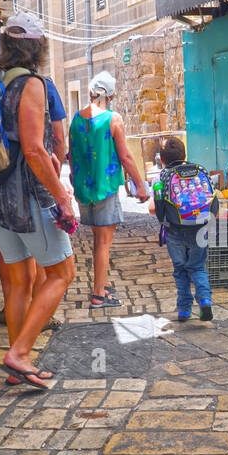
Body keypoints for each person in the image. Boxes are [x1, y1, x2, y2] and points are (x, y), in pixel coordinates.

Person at [0, 11, 75, 389]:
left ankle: (19, 362)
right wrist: (61, 196)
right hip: (26, 195)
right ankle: (19, 354)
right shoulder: (31, 84)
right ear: (38, 47)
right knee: (62, 273)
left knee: (18, 281)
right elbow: (34, 150)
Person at [67, 72, 149, 308]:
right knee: (104, 243)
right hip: (105, 187)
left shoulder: (76, 119)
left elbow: (71, 155)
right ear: (110, 96)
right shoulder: (113, 119)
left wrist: (75, 179)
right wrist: (140, 185)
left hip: (84, 188)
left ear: (91, 93)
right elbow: (125, 156)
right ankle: (98, 295)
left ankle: (100, 285)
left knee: (97, 240)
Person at [149, 136, 214, 322]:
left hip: (174, 230)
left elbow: (155, 208)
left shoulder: (160, 177)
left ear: (161, 160)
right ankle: (205, 301)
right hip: (200, 228)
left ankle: (184, 309)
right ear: (185, 155)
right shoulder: (199, 171)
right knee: (197, 267)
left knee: (180, 269)